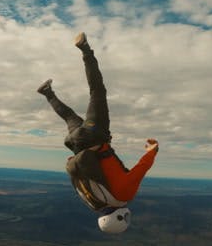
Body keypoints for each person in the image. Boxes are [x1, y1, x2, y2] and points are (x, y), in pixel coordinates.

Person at [37, 32, 159, 233]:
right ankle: (47, 92)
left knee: (97, 91)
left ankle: (84, 48)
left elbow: (141, 169)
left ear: (121, 217)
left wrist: (153, 151)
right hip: (76, 144)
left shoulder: (124, 194)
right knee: (69, 117)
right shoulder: (94, 202)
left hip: (95, 137)